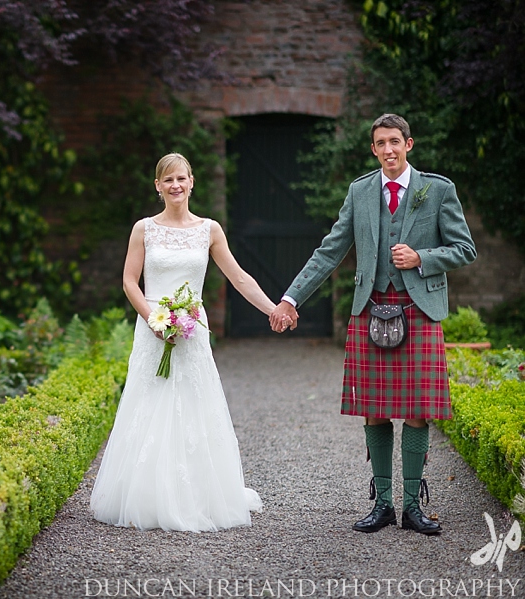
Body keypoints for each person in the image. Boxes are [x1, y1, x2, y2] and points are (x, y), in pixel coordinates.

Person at [270, 114, 476, 535]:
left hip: (418, 309)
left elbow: (464, 248)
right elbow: (330, 251)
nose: (388, 150)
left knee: (418, 412)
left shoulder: (437, 190)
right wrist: (290, 299)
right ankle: (382, 504)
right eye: (381, 143)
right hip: (371, 308)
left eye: (395, 142)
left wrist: (422, 258)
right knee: (375, 411)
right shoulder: (360, 192)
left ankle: (412, 507)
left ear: (409, 144)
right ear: (373, 148)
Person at [90, 152, 286, 531]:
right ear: (158, 186)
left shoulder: (209, 230)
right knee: (151, 401)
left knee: (195, 404)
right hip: (153, 330)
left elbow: (239, 277)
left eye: (181, 178)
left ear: (192, 182)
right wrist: (152, 319)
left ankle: (197, 494)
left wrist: (273, 309)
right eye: (168, 180)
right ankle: (147, 495)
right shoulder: (143, 229)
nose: (175, 186)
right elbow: (130, 281)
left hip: (193, 331)